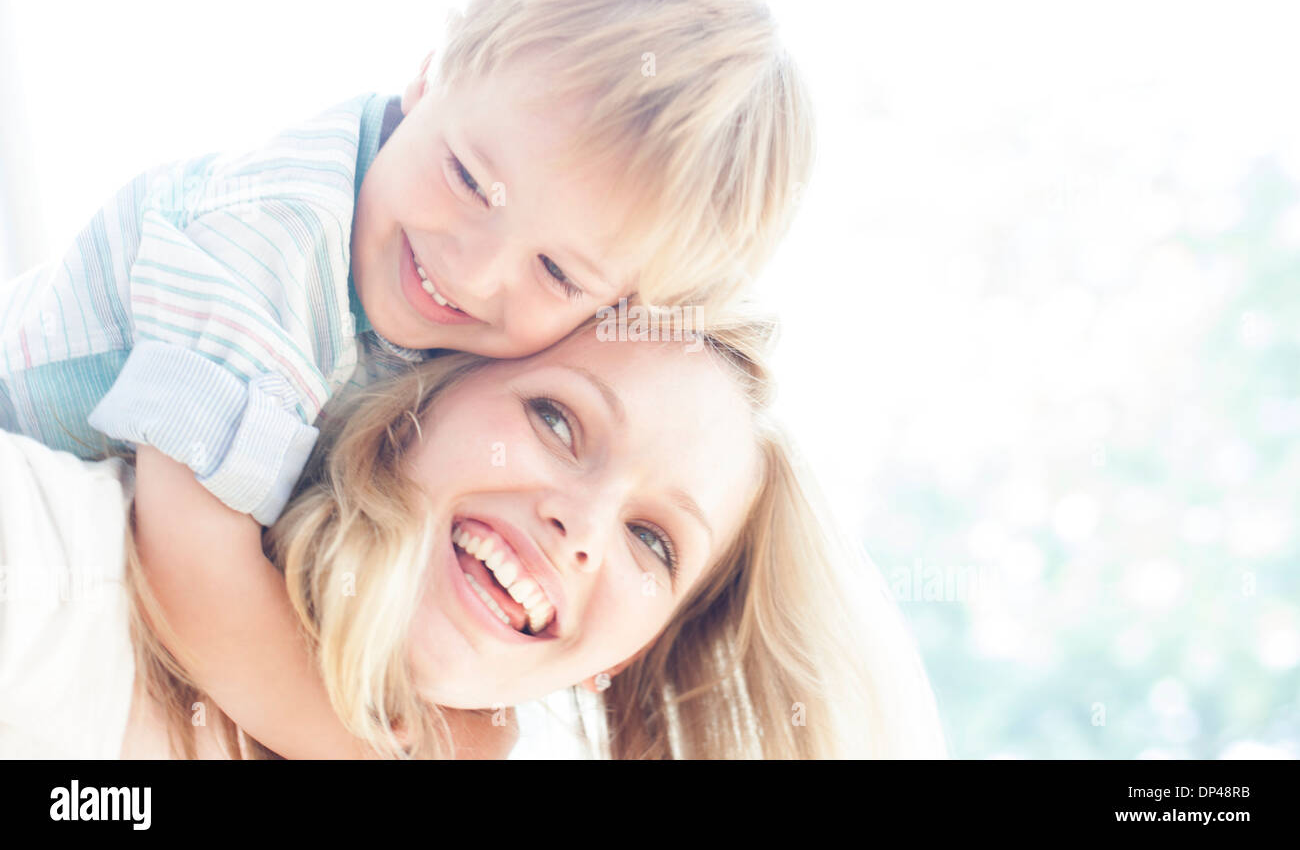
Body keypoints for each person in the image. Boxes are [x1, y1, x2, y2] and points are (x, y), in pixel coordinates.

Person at [0, 0, 813, 758]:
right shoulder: (269, 243)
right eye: (467, 178)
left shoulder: (446, 328)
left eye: (557, 274)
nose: (474, 268)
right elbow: (189, 576)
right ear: (430, 76)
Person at [0, 315, 947, 759]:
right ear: (425, 395)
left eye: (653, 542)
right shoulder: (49, 566)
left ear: (635, 651)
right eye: (558, 420)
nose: (579, 526)